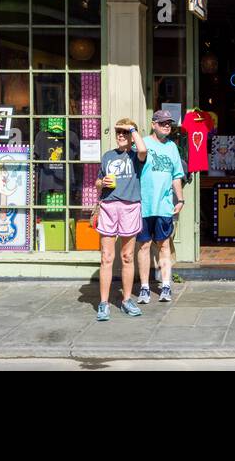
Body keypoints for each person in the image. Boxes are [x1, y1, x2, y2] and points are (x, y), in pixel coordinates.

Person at [93, 118, 147, 322]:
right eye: (118, 132)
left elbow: (142, 149)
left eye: (125, 133)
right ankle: (104, 303)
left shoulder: (136, 155)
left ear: (132, 136)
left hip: (130, 206)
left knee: (127, 256)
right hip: (109, 206)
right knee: (106, 257)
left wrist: (132, 129)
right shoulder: (107, 156)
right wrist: (101, 182)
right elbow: (98, 181)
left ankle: (126, 300)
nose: (121, 135)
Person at [137, 108, 186, 303]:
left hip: (164, 204)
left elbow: (176, 176)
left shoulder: (172, 147)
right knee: (144, 246)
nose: (167, 126)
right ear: (153, 125)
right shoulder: (144, 144)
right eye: (162, 123)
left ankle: (165, 285)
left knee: (164, 245)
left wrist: (180, 199)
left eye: (169, 124)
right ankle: (144, 287)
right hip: (144, 204)